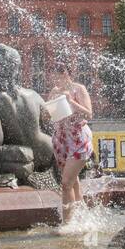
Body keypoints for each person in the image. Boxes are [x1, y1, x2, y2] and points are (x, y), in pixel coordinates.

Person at [48, 63, 94, 222]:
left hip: (79, 139)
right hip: (61, 141)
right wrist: (48, 108)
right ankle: (81, 218)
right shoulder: (54, 91)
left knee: (66, 183)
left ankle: (67, 224)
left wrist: (70, 101)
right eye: (54, 74)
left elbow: (89, 114)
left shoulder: (78, 89)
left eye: (60, 74)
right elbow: (48, 116)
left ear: (68, 74)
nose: (57, 78)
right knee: (73, 182)